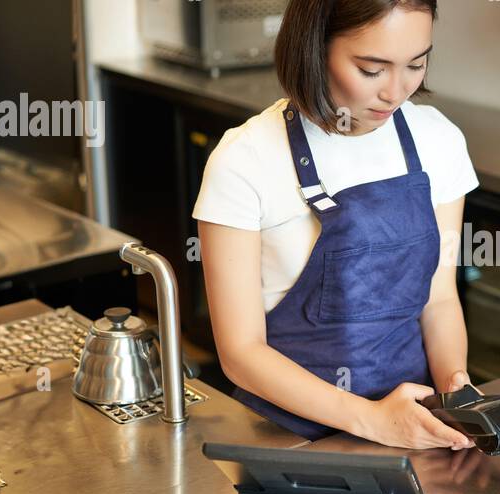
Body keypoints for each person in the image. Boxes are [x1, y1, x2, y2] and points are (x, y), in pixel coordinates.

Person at [193, 0, 477, 450]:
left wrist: (455, 393)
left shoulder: (438, 140)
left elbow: (439, 300)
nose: (396, 91)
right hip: (283, 441)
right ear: (314, 48)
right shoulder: (244, 160)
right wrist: (372, 420)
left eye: (416, 64)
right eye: (371, 69)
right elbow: (241, 353)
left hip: (412, 431)